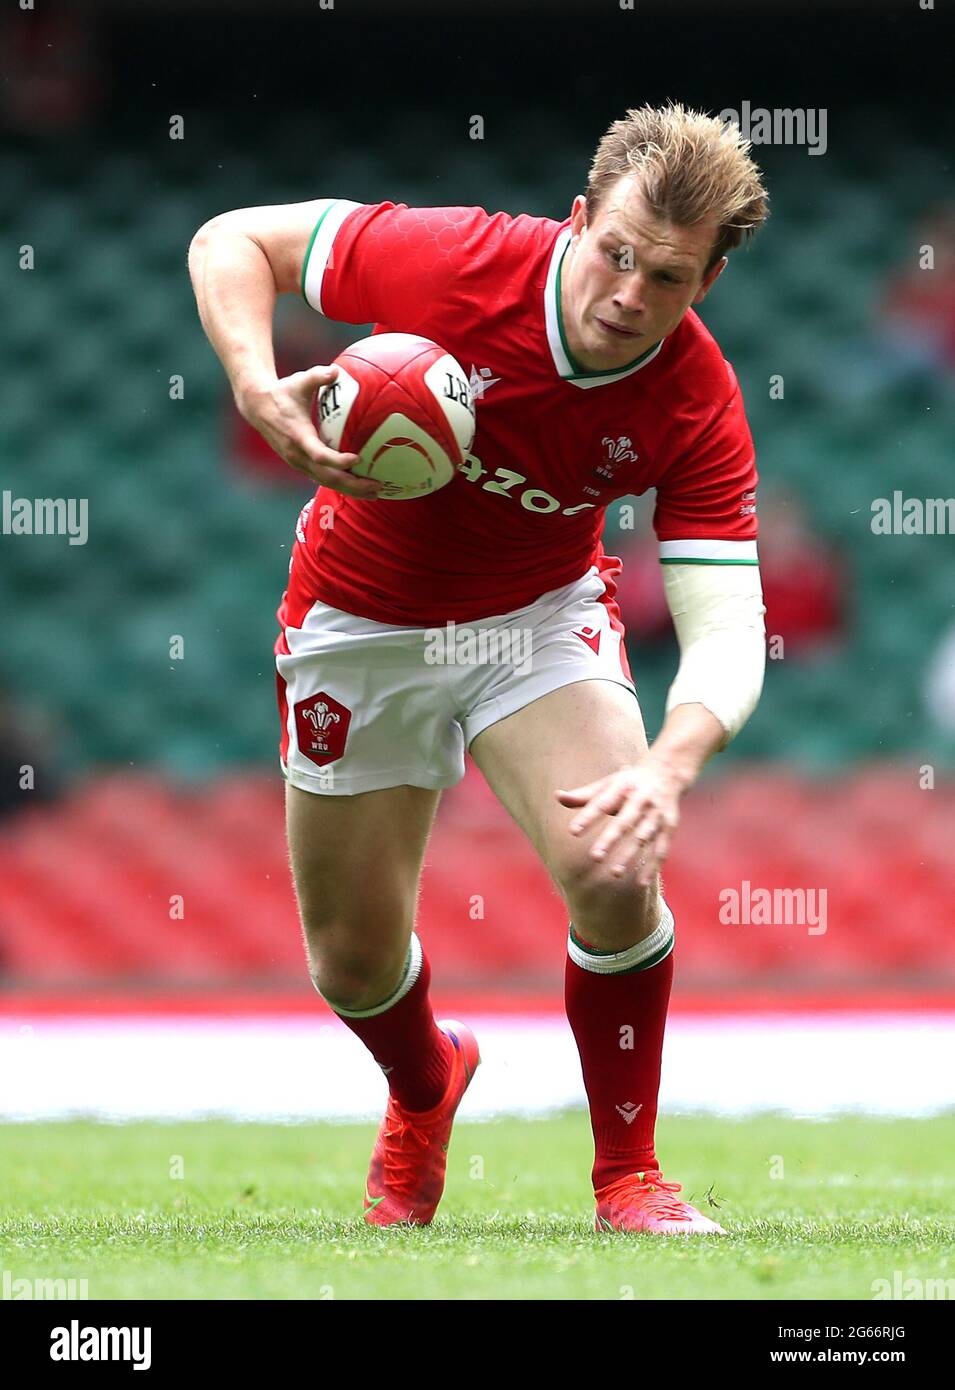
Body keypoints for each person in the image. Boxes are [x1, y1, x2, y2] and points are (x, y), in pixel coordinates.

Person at [188, 102, 769, 1235]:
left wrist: (669, 765)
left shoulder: (696, 399)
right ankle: (424, 1084)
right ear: (578, 219)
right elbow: (231, 239)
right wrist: (257, 381)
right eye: (616, 253)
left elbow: (730, 626)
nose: (627, 296)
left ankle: (629, 1178)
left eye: (668, 278)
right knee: (351, 966)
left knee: (614, 871)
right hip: (357, 619)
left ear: (706, 283)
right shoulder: (455, 261)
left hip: (535, 620)